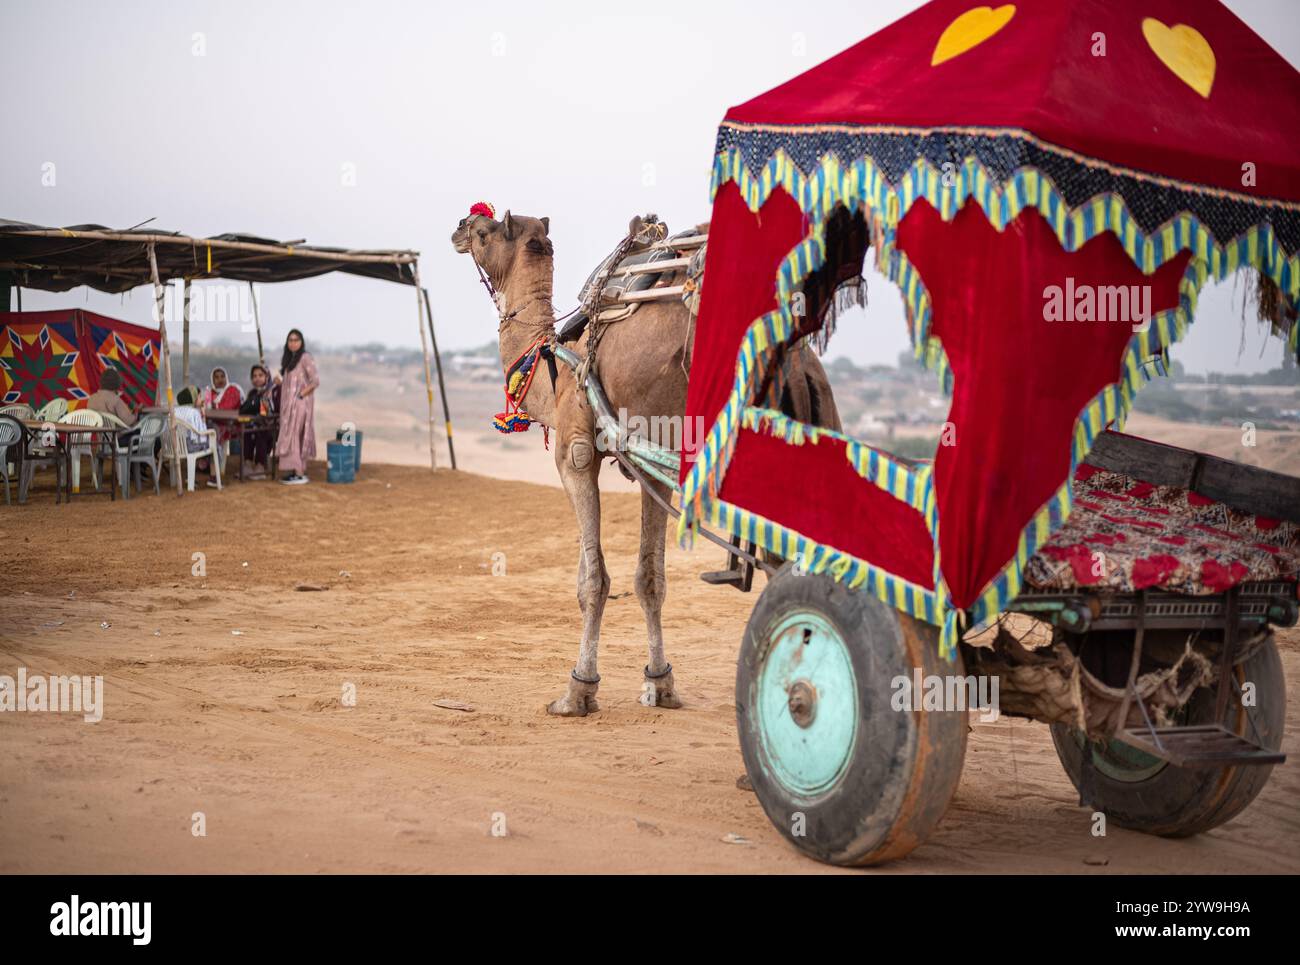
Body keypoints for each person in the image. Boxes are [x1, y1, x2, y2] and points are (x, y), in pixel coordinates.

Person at [273, 329, 318, 485]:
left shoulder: (305, 357)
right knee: (293, 436)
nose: (293, 343)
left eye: (296, 340)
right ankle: (296, 471)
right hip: (289, 405)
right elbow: (289, 384)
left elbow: (315, 381)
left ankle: (299, 474)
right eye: (290, 340)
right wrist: (280, 382)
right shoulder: (290, 360)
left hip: (300, 404)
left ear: (301, 342)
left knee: (294, 436)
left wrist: (300, 395)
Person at [239, 363, 278, 480]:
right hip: (255, 425)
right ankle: (248, 463)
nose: (257, 378)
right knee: (247, 431)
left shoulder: (274, 391)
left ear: (267, 376)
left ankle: (260, 466)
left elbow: (271, 413)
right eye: (254, 376)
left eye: (261, 375)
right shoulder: (252, 393)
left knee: (260, 432)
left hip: (271, 427)